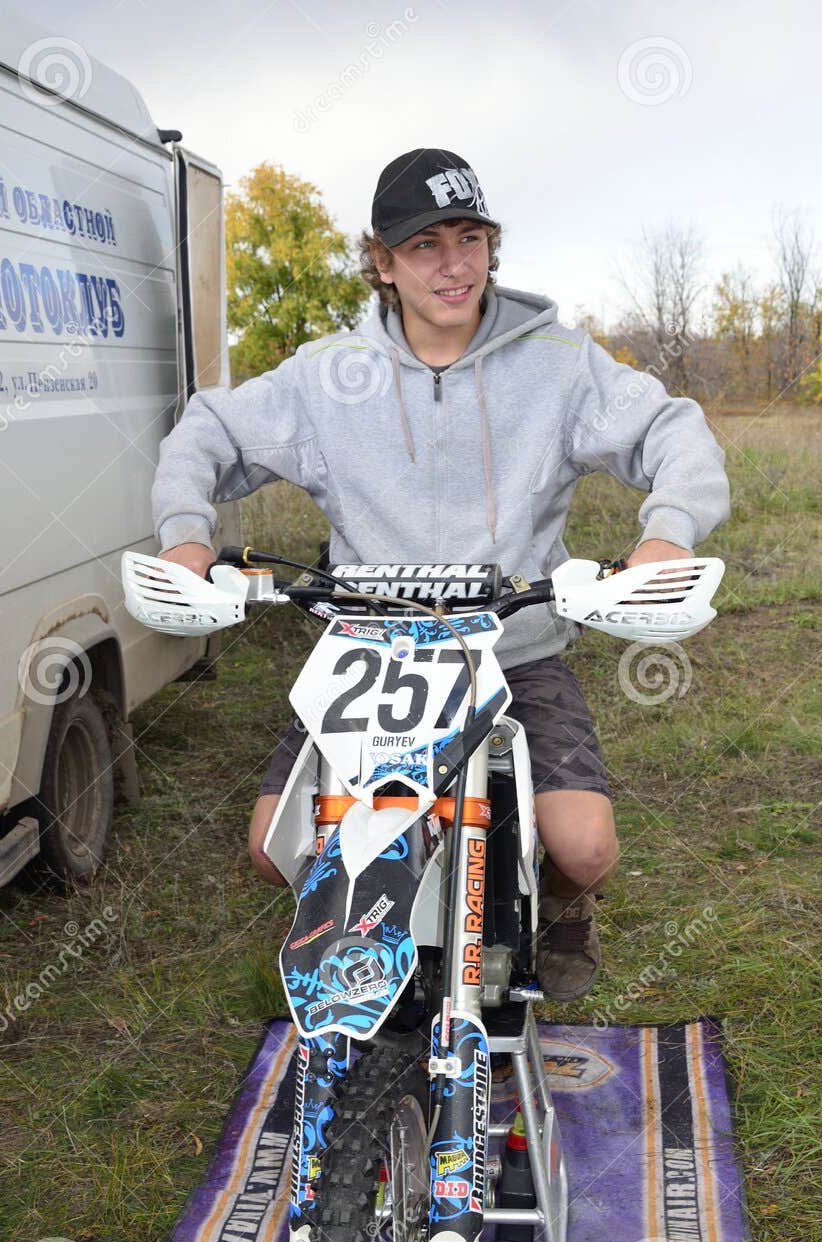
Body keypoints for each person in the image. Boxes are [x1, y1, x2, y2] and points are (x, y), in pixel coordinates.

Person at [150, 147, 729, 1000]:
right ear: (382, 263)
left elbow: (672, 431)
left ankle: (555, 912)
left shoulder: (559, 363)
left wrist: (668, 535)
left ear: (493, 245)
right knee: (276, 843)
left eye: (470, 237)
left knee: (585, 847)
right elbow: (211, 432)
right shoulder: (325, 378)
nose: (453, 264)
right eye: (423, 246)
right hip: (371, 659)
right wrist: (187, 538)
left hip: (514, 651)